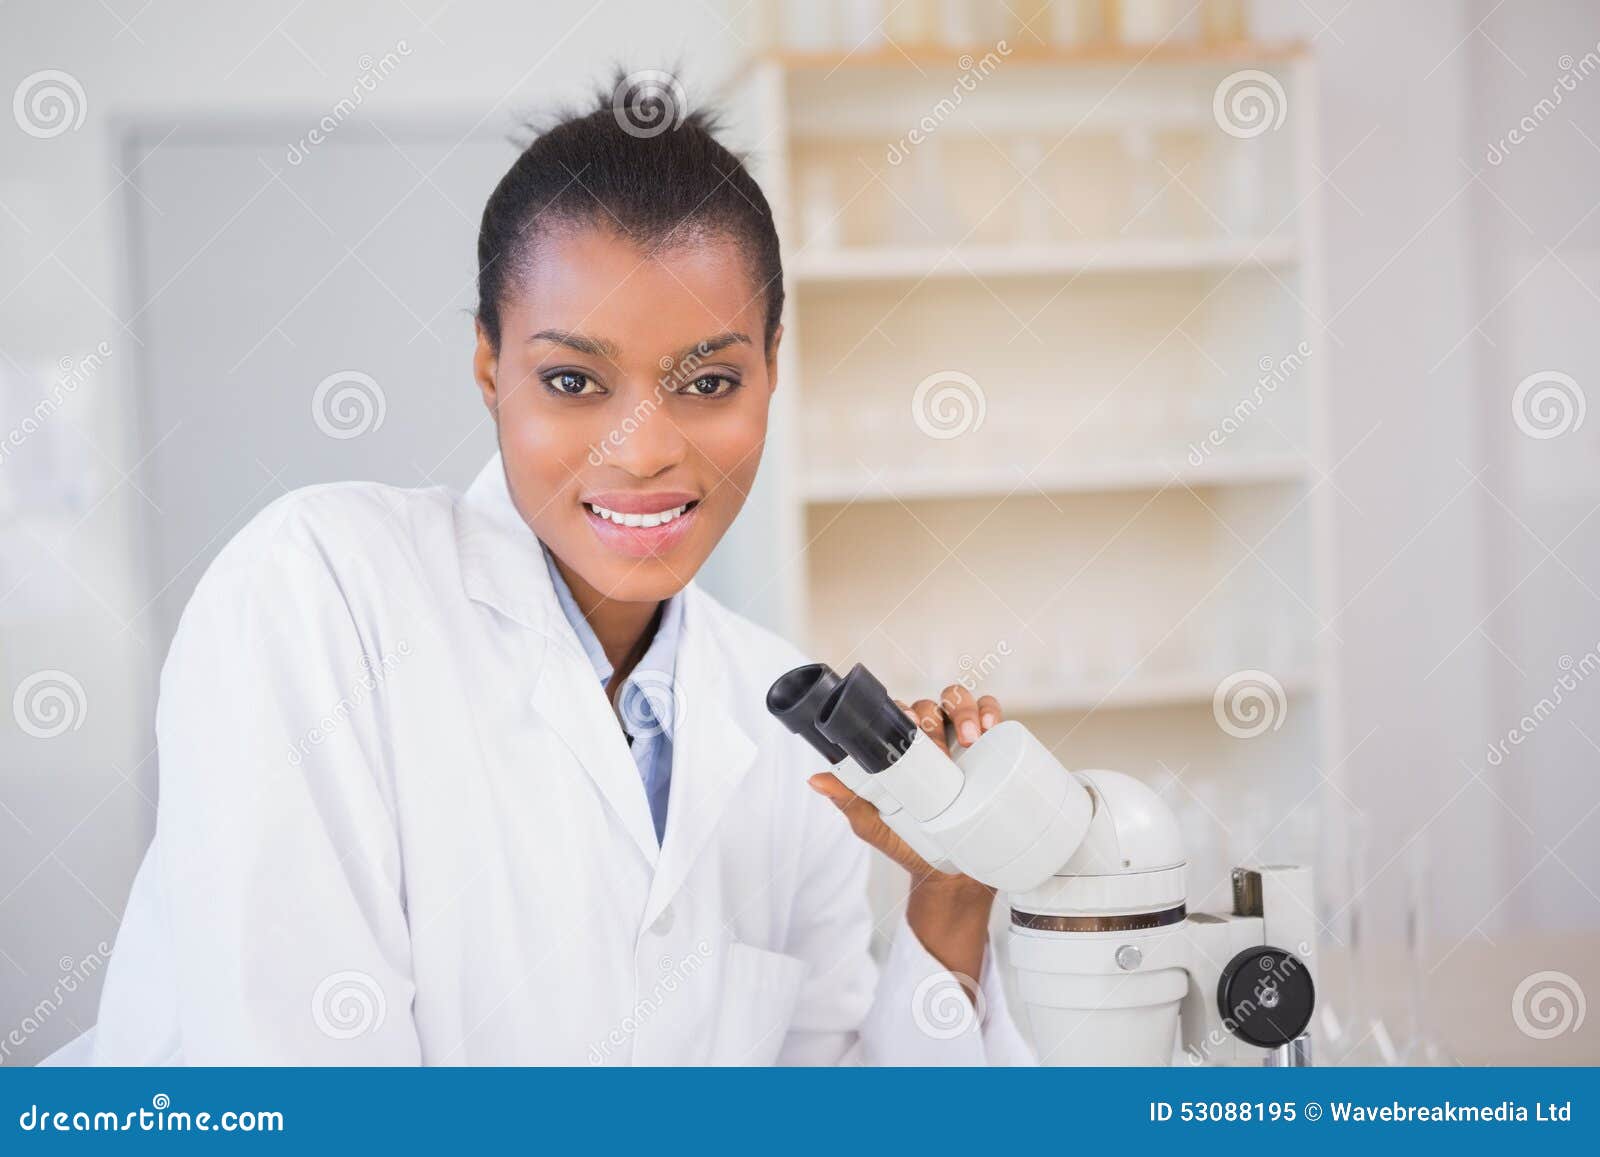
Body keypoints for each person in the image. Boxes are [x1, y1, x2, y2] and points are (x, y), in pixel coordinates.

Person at [87, 77, 1031, 1065]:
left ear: (773, 365)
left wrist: (949, 900)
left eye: (708, 381)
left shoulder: (779, 724)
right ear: (491, 367)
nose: (640, 451)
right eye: (573, 381)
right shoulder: (323, 593)